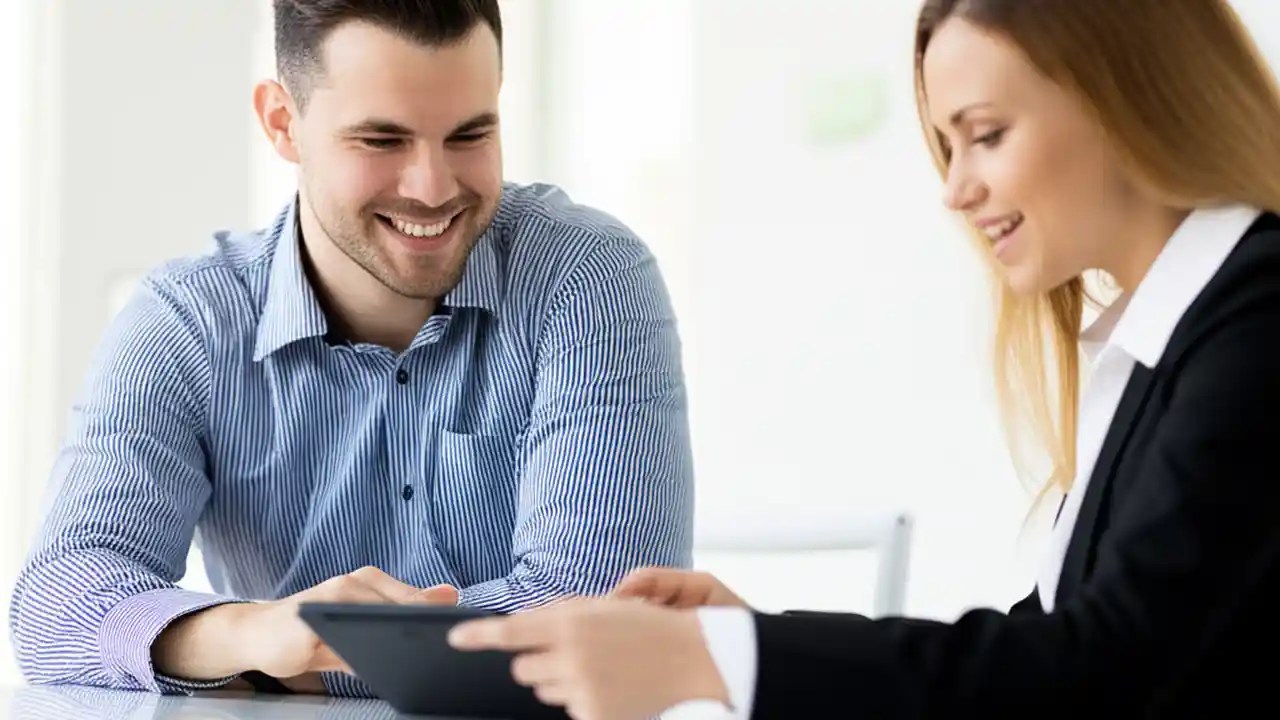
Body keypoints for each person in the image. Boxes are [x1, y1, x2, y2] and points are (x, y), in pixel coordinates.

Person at [447, 0, 1280, 717]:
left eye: (984, 135)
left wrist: (722, 661)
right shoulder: (1164, 344)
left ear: (1125, 95)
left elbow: (1101, 675)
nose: (955, 189)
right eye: (948, 149)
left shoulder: (1257, 322)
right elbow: (1043, 648)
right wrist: (745, 640)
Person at [9, 0, 694, 698]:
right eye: (381, 140)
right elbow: (58, 603)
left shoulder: (586, 277)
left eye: (469, 134)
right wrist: (253, 634)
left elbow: (607, 627)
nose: (433, 188)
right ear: (282, 122)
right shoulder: (188, 322)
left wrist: (289, 669)